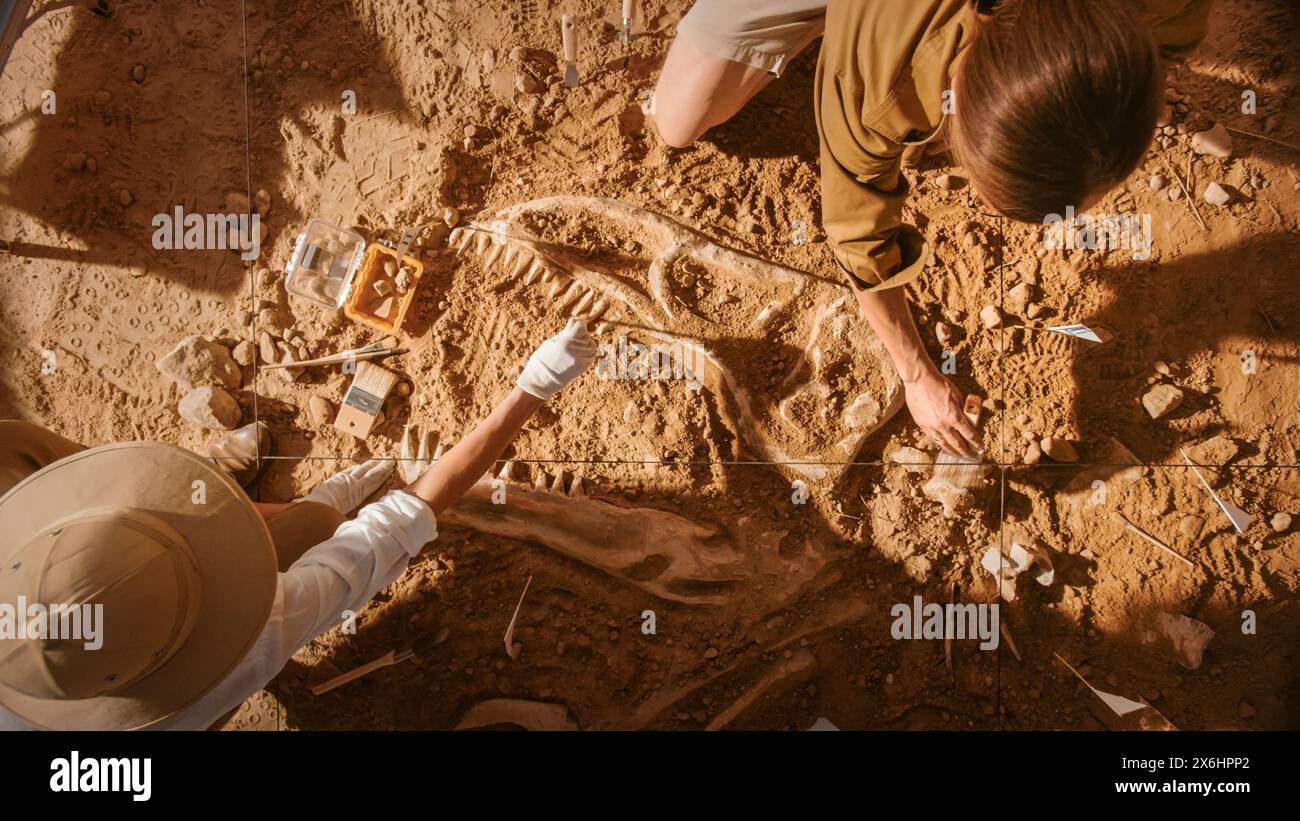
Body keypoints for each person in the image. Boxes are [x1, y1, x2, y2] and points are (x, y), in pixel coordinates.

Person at [652, 0, 1210, 457]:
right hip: (886, 30)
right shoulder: (875, 84)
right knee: (677, 120)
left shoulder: (1169, 11)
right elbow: (858, 238)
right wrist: (917, 376)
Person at [0, 319, 597, 730]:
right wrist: (531, 388)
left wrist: (294, 511)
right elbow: (386, 533)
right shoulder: (243, 651)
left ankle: (214, 480)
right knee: (313, 533)